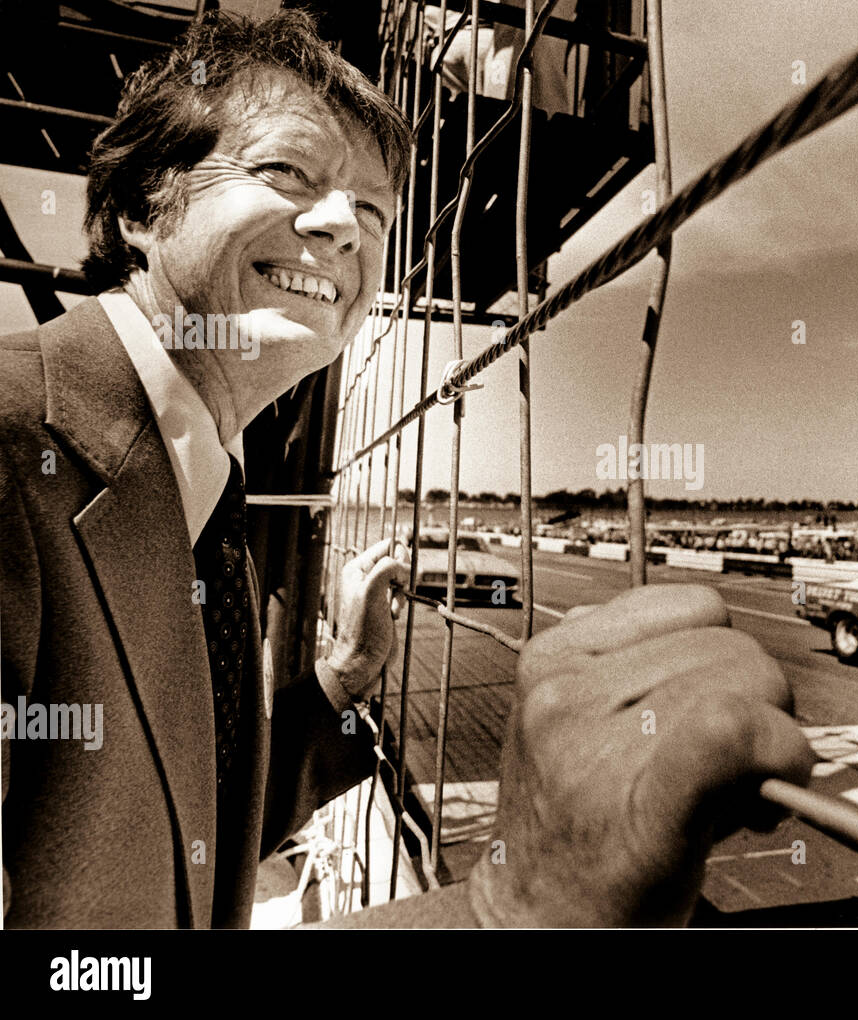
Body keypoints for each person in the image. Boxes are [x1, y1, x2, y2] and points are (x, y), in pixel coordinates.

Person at [0, 11, 811, 929]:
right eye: (285, 172)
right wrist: (512, 911)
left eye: (376, 208)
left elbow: (181, 842)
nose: (343, 226)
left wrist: (339, 681)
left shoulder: (200, 490)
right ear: (143, 206)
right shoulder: (11, 455)